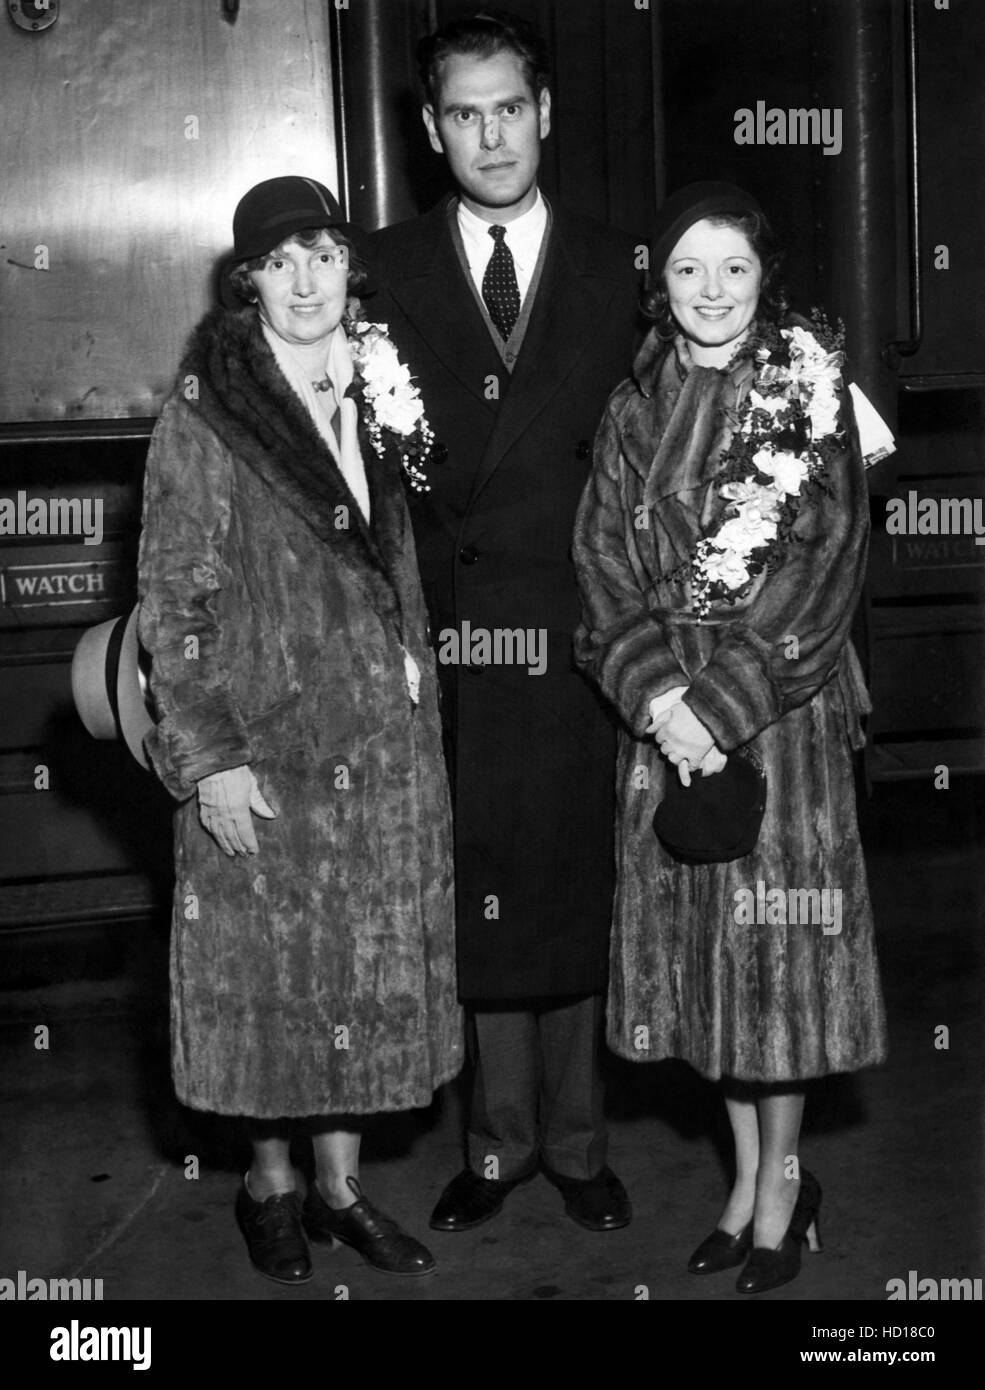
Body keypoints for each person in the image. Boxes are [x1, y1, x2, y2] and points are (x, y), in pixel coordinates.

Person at [137, 175, 462, 1284]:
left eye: (325, 254)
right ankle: (269, 1185)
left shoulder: (376, 384)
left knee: (356, 981)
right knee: (264, 986)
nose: (308, 279)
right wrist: (210, 761)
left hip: (375, 750)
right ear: (248, 285)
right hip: (261, 749)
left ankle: (340, 1189)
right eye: (283, 262)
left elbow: (398, 560)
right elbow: (174, 602)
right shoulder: (207, 410)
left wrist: (416, 670)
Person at [572, 181, 888, 1293]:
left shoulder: (808, 393)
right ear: (659, 286)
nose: (711, 292)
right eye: (688, 272)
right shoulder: (630, 405)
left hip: (779, 725)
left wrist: (719, 706)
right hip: (662, 723)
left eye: (734, 270)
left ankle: (783, 1187)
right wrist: (659, 699)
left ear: (766, 281)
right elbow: (600, 565)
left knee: (778, 973)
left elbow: (825, 568)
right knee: (708, 969)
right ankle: (744, 1181)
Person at [370, 10, 639, 1233]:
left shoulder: (628, 267)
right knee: (477, 886)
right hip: (453, 640)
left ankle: (579, 1146)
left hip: (580, 629)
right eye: (463, 114)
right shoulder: (376, 270)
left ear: (545, 115)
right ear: (432, 131)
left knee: (576, 878)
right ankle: (496, 1146)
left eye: (509, 108)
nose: (490, 134)